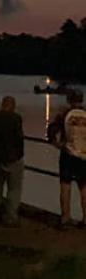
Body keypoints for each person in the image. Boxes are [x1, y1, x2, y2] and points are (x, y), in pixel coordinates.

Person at [48, 89, 86, 228]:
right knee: (84, 188)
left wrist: (57, 144)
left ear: (69, 100)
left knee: (65, 186)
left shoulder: (65, 114)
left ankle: (65, 217)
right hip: (84, 155)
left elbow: (52, 131)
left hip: (68, 154)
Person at [0, 96, 25, 226]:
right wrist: (19, 154)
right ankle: (11, 216)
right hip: (13, 158)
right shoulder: (16, 119)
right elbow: (19, 139)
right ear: (12, 106)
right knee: (14, 189)